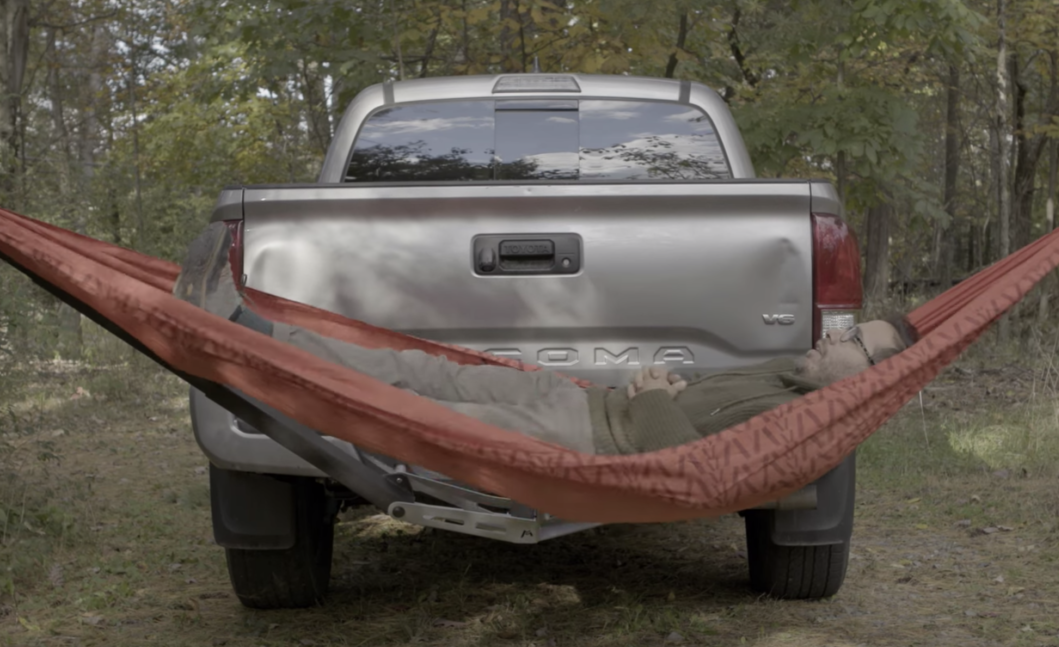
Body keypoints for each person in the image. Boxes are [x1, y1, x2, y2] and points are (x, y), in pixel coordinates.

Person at [174, 224, 918, 455]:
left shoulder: (796, 424)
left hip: (570, 430)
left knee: (396, 406)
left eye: (853, 342)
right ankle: (245, 323)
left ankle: (243, 357)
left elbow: (682, 460)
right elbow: (689, 420)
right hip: (567, 398)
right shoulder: (790, 377)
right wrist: (657, 386)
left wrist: (657, 396)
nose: (836, 334)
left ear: (867, 380)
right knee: (405, 365)